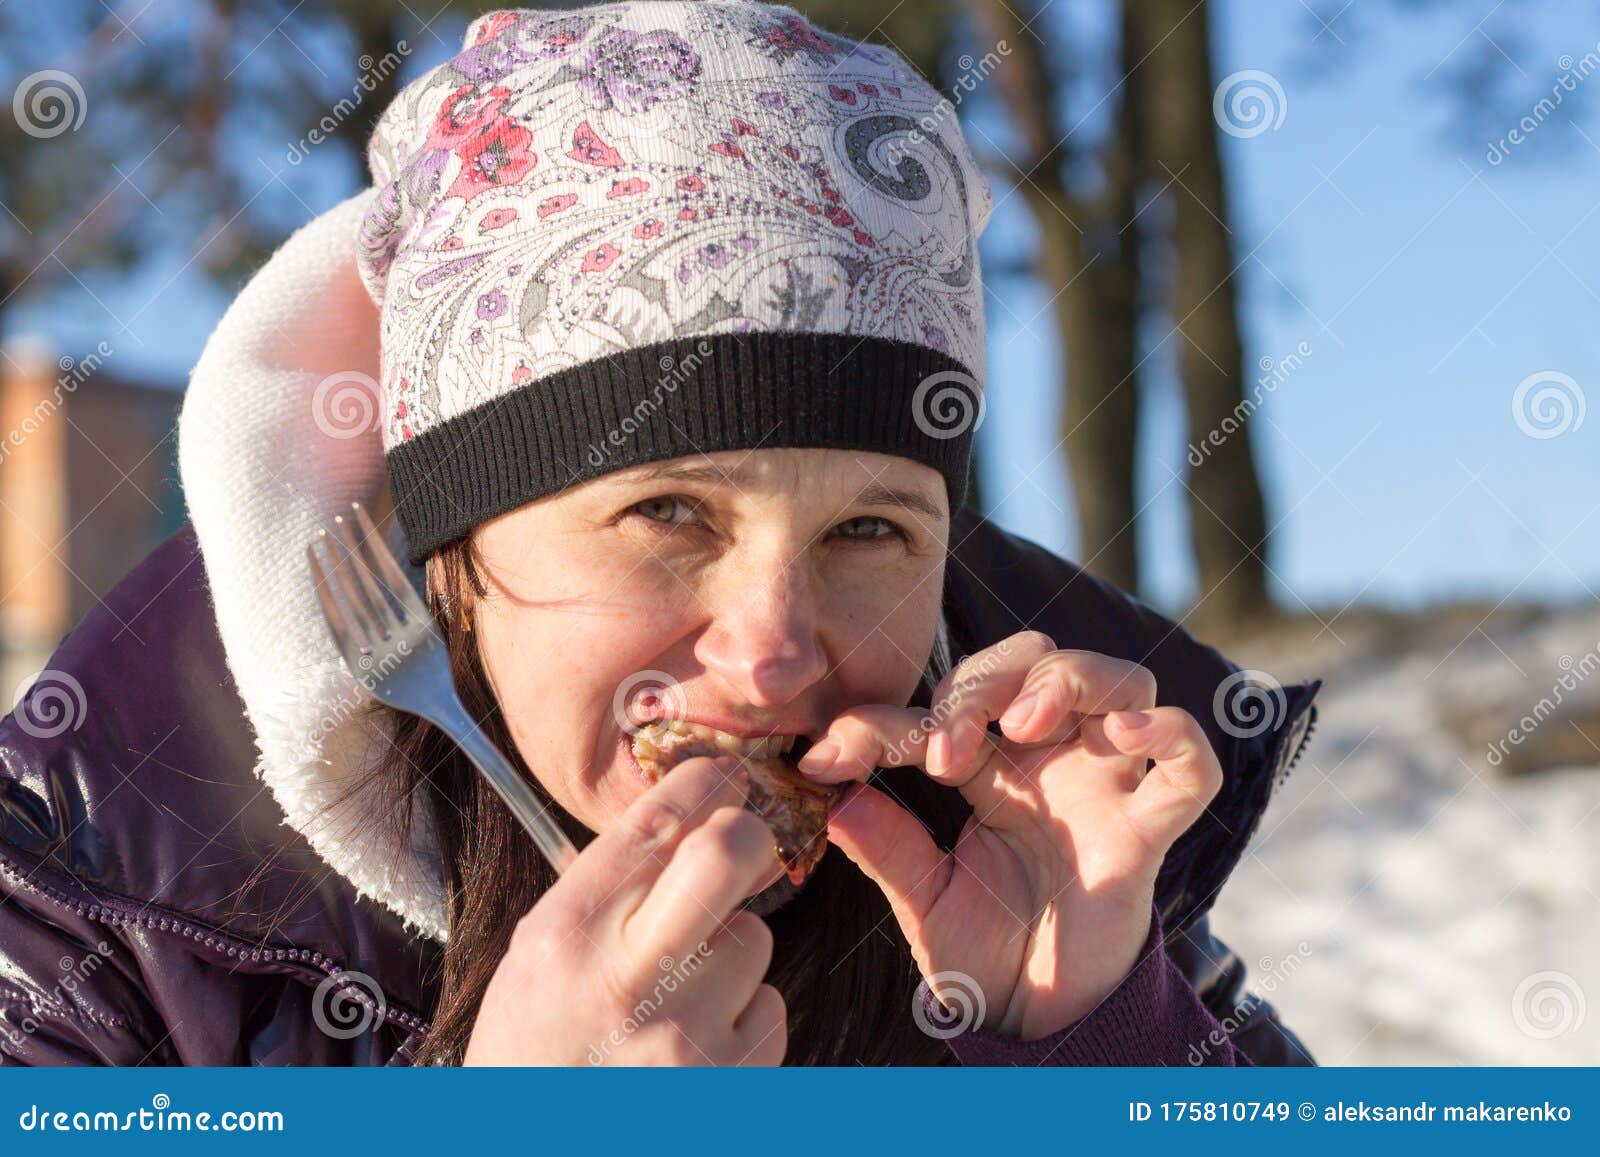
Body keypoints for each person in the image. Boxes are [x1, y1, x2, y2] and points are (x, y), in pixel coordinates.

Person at [0, 1, 1319, 1067]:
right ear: (450, 552)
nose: (775, 653)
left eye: (869, 526)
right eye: (669, 513)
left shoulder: (1047, 853)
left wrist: (1085, 1041)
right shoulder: (97, 915)